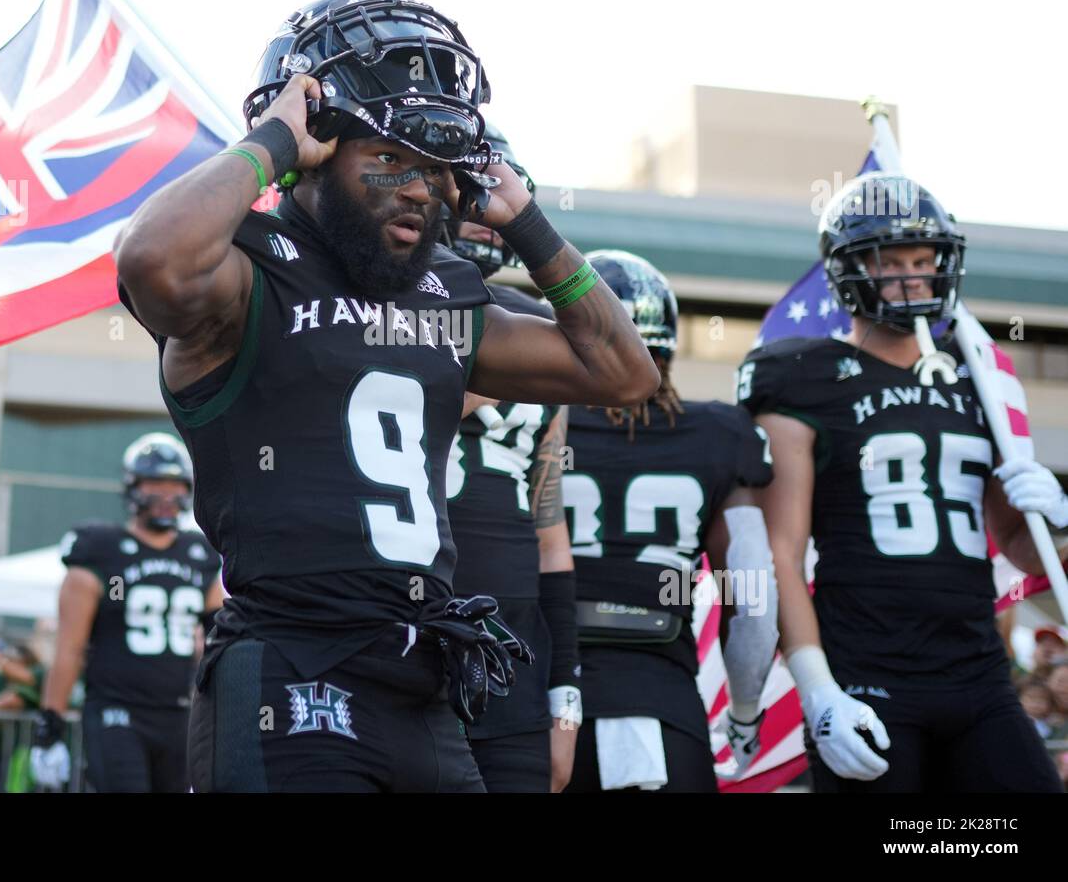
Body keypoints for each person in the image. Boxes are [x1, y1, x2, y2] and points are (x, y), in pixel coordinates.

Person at [114, 0, 659, 793]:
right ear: (316, 143)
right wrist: (270, 141)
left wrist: (527, 222)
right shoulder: (248, 272)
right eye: (390, 157)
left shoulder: (445, 289)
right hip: (292, 669)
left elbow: (625, 374)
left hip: (422, 686)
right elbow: (149, 259)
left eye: (436, 167)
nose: (420, 188)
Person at [739, 172, 1064, 792]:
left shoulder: (979, 376)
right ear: (849, 270)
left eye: (924, 259)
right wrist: (818, 692)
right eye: (892, 262)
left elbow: (1023, 547)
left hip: (978, 672)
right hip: (868, 669)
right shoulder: (805, 374)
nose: (914, 277)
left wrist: (1060, 513)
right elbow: (781, 548)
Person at [560, 251, 777, 792]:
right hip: (661, 700)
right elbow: (753, 600)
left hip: (541, 699)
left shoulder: (534, 421)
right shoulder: (718, 432)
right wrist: (746, 711)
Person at [443, 125, 581, 793]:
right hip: (401, 642)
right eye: (463, 191)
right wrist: (506, 369)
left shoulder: (535, 323)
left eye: (489, 195)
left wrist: (565, 701)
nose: (479, 212)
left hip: (513, 657)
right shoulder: (373, 310)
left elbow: (551, 540)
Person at [29, 433, 222, 793]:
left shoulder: (201, 554)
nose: (165, 495)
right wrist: (50, 724)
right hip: (116, 712)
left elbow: (221, 642)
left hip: (180, 713)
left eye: (174, 484)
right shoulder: (101, 548)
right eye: (154, 483)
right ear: (132, 487)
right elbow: (69, 648)